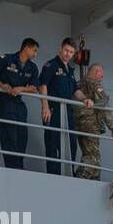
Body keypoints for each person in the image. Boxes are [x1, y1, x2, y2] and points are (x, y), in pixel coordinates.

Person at [0, 39, 40, 169]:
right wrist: (1, 85)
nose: (35, 54)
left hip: (18, 102)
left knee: (22, 136)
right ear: (27, 48)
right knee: (9, 134)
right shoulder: (7, 58)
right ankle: (12, 167)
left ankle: (18, 166)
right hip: (4, 100)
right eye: (34, 50)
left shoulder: (32, 67)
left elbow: (34, 87)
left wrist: (21, 88)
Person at [38, 37, 79, 176]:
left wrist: (86, 99)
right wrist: (45, 107)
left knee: (71, 143)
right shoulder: (51, 65)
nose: (68, 54)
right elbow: (43, 85)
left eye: (71, 52)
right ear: (60, 49)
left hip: (67, 112)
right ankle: (53, 174)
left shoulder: (70, 71)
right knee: (52, 142)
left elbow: (75, 90)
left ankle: (69, 173)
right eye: (66, 50)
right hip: (54, 110)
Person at [73, 64, 113, 180]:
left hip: (79, 124)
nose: (102, 78)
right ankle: (78, 181)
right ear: (97, 73)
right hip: (90, 124)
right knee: (91, 157)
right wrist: (112, 126)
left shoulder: (77, 84)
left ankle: (94, 184)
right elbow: (103, 104)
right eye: (101, 76)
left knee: (95, 158)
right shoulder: (94, 84)